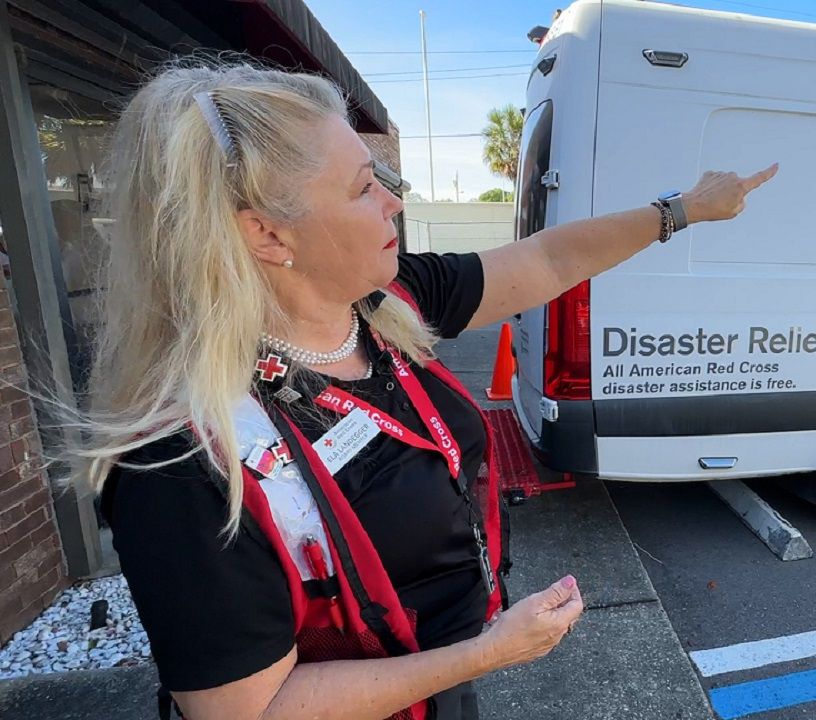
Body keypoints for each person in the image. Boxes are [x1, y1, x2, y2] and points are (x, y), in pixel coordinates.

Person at [88, 61, 775, 720]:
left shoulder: (382, 303)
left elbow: (546, 259)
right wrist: (482, 655)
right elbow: (249, 709)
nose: (395, 199)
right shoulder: (181, 459)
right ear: (266, 233)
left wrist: (683, 210)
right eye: (364, 187)